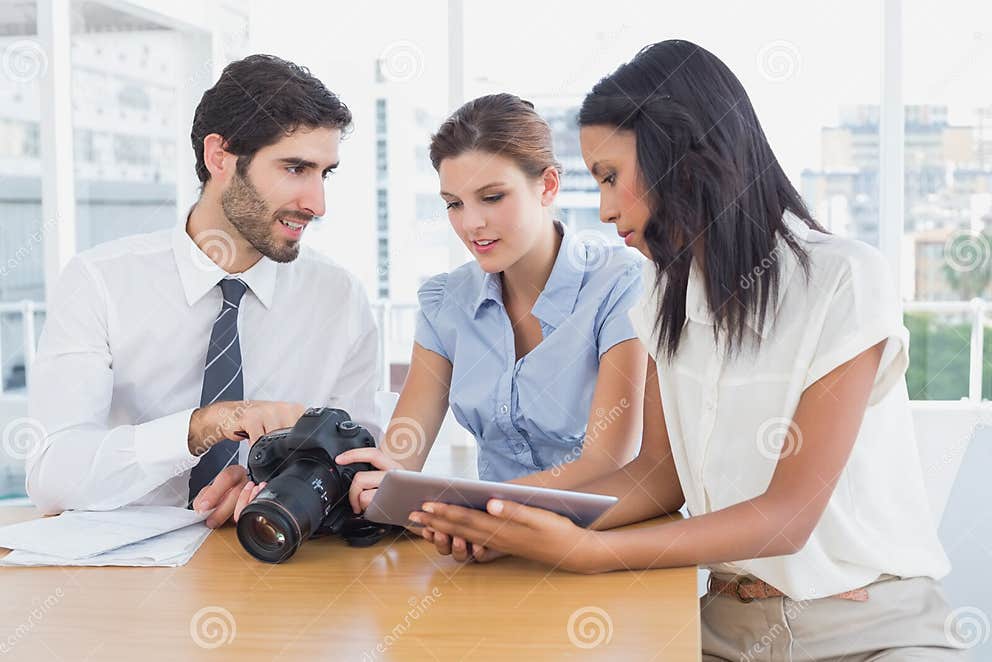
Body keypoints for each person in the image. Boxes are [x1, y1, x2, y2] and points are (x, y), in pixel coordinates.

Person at [409, 42, 967, 660]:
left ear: (684, 156)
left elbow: (787, 517)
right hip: (724, 630)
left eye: (612, 177)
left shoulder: (845, 279)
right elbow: (655, 477)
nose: (605, 208)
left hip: (872, 631)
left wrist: (588, 552)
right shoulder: (662, 294)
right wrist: (504, 520)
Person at [27, 54, 380, 530]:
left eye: (325, 173)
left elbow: (358, 462)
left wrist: (273, 481)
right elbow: (53, 474)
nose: (316, 204)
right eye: (295, 169)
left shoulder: (340, 300)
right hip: (121, 578)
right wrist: (199, 429)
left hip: (273, 565)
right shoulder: (100, 282)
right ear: (220, 157)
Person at [329, 93, 646, 563]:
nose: (471, 224)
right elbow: (403, 452)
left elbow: (607, 462)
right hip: (486, 551)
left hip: (600, 547)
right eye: (454, 203)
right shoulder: (445, 303)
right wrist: (377, 480)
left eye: (492, 197)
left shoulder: (620, 284)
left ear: (548, 186)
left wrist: (479, 510)